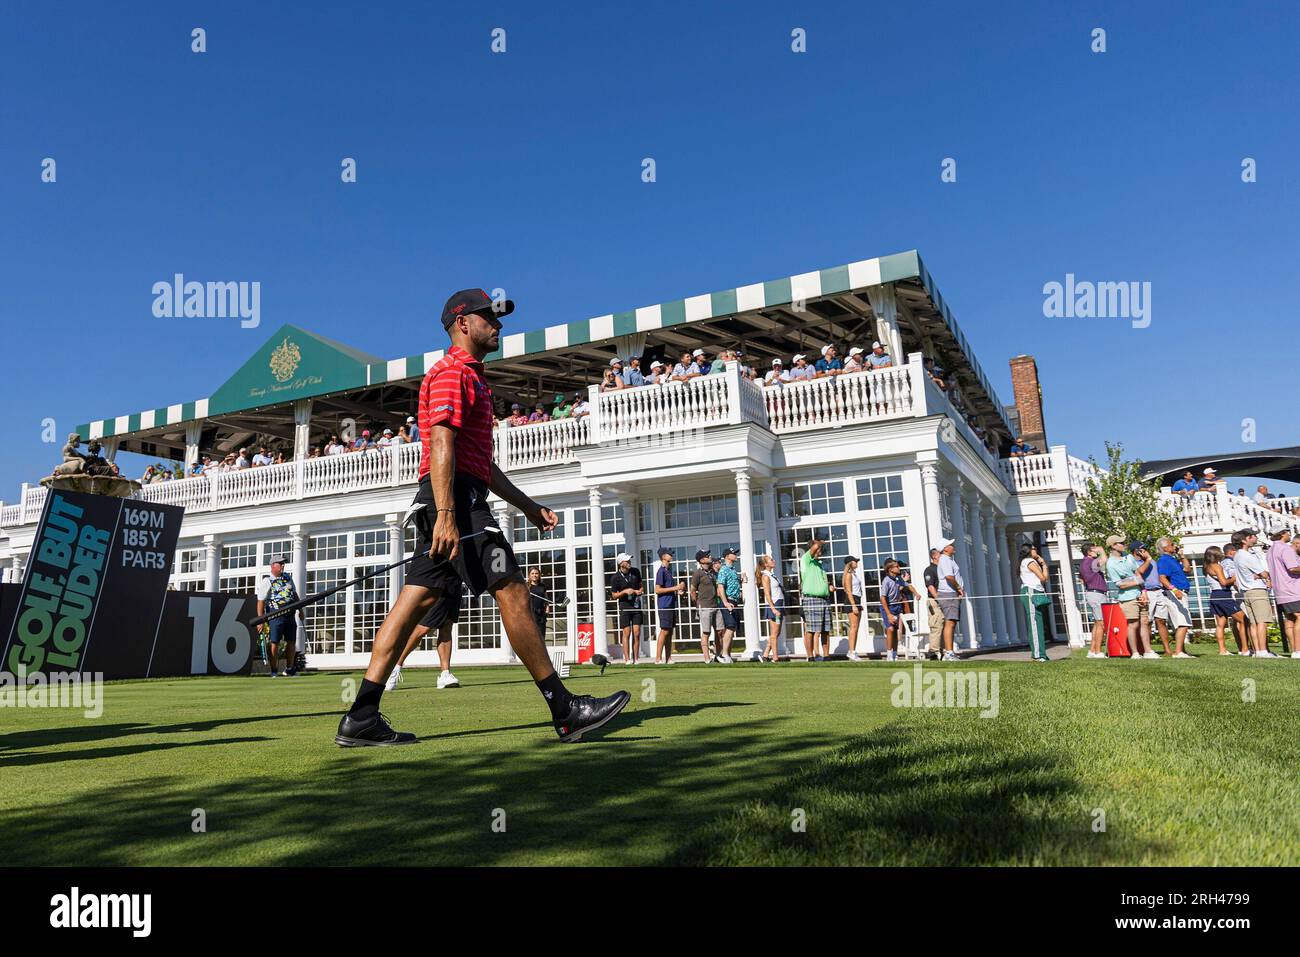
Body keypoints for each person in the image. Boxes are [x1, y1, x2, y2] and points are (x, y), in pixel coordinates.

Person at [334, 287, 629, 746]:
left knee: (412, 603)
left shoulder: (471, 376)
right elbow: (441, 445)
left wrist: (528, 506)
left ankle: (361, 716)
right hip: (455, 500)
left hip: (451, 495)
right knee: (512, 588)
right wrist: (449, 513)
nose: (499, 325)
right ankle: (565, 709)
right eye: (488, 317)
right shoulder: (452, 372)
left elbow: (481, 462)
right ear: (462, 323)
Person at [385, 591, 462, 692]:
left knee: (446, 626)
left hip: (453, 587)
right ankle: (395, 667)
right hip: (436, 585)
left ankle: (445, 674)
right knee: (423, 628)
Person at [1232, 528, 1276, 658]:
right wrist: (1264, 575)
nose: (1255, 538)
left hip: (1246, 591)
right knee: (1262, 621)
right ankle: (1263, 651)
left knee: (1254, 622)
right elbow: (1263, 573)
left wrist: (1259, 575)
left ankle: (1257, 651)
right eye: (1252, 536)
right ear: (1245, 540)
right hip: (1256, 591)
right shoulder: (1246, 556)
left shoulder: (1238, 555)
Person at [256, 556, 301, 677]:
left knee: (291, 641)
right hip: (275, 616)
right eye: (280, 564)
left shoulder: (287, 578)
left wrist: (300, 610)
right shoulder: (267, 581)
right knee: (274, 642)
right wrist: (260, 620)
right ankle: (274, 670)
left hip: (290, 614)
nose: (282, 566)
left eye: (283, 564)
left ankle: (290, 669)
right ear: (272, 566)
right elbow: (260, 601)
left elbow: (294, 594)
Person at [1103, 534, 1148, 658]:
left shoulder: (1129, 557)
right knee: (1133, 624)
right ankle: (1135, 653)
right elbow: (1120, 585)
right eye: (1121, 543)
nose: (1124, 545)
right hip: (1127, 598)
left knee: (1144, 622)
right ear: (1113, 546)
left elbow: (1137, 572)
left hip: (1140, 594)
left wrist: (1143, 591)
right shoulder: (1110, 564)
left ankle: (1148, 651)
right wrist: (1136, 582)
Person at [1203, 546, 1245, 656]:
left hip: (1214, 595)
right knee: (1243, 620)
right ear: (1216, 554)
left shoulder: (1206, 567)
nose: (1221, 553)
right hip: (1223, 595)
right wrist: (1234, 578)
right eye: (1219, 552)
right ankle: (1245, 649)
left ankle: (1222, 650)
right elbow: (1224, 582)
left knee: (1220, 624)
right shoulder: (1217, 566)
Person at [1155, 537, 1194, 658]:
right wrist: (1174, 589)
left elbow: (1187, 569)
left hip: (1181, 592)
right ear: (1165, 548)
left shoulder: (1173, 559)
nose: (1175, 546)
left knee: (1182, 622)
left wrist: (1181, 556)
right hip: (1176, 593)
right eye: (1172, 544)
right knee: (1183, 623)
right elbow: (1162, 577)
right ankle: (1178, 652)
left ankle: (1181, 651)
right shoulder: (1164, 560)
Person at [1266, 528, 1300, 658]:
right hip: (1293, 589)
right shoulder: (1286, 549)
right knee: (1299, 617)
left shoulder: (1270, 550)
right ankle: (1298, 650)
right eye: (1287, 532)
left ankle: (1294, 651)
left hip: (1281, 591)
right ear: (1281, 534)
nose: (1289, 534)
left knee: (1290, 619)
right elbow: (1292, 568)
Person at [1133, 542, 1170, 657]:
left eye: (1145, 548)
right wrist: (1147, 559)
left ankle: (1167, 650)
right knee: (1147, 622)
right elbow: (1140, 573)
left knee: (1161, 620)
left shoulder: (1152, 561)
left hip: (1159, 591)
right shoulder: (1134, 563)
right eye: (1142, 549)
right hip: (1147, 592)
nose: (1145, 550)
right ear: (1136, 551)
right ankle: (1147, 649)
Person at [691, 549, 726, 663]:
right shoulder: (697, 573)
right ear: (702, 560)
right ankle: (707, 659)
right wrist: (697, 604)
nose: (710, 556)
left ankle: (718, 655)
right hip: (704, 607)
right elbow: (692, 591)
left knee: (720, 631)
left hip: (716, 606)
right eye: (707, 555)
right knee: (706, 632)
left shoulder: (712, 572)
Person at [799, 538, 831, 661]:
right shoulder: (807, 559)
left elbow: (821, 581)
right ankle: (810, 656)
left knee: (825, 629)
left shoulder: (819, 564)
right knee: (811, 630)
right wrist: (820, 542)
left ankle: (826, 656)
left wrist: (829, 587)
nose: (820, 550)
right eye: (819, 548)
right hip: (811, 599)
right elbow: (814, 547)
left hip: (824, 599)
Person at [1018, 543, 1051, 661]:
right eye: (1034, 548)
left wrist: (1043, 564)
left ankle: (1040, 653)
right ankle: (1038, 654)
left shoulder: (1033, 562)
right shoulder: (1028, 561)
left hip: (1037, 591)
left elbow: (1044, 579)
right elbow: (1042, 578)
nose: (1036, 550)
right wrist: (1041, 564)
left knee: (1038, 622)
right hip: (1031, 592)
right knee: (1034, 624)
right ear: (1028, 551)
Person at [610, 553, 644, 665]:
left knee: (637, 632)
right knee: (627, 632)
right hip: (624, 606)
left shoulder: (635, 571)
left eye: (629, 561)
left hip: (636, 605)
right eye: (627, 561)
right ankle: (627, 659)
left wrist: (639, 591)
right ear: (621, 564)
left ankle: (636, 659)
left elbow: (640, 586)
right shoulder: (615, 577)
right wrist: (624, 592)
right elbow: (614, 595)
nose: (629, 563)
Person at [1077, 542, 1109, 658]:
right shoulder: (1090, 562)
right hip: (1097, 594)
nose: (1096, 551)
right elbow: (1104, 560)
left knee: (1097, 622)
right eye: (1094, 549)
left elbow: (1081, 579)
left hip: (1092, 593)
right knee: (1101, 623)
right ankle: (1098, 651)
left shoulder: (1083, 563)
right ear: (1089, 552)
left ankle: (1092, 650)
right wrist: (1102, 551)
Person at [652, 548, 684, 664]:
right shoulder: (661, 571)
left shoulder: (668, 571)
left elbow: (668, 589)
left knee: (670, 632)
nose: (671, 556)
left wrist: (677, 592)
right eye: (669, 554)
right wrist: (676, 588)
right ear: (663, 556)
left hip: (670, 604)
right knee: (664, 630)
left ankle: (668, 658)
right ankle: (658, 659)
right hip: (664, 605)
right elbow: (657, 590)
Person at [934, 537, 963, 661]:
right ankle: (949, 653)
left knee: (952, 622)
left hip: (951, 594)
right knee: (950, 622)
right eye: (950, 545)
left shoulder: (948, 559)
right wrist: (958, 588)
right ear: (945, 549)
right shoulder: (945, 559)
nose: (953, 546)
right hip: (948, 594)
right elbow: (949, 577)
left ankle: (949, 652)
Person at [716, 547, 745, 661]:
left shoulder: (733, 569)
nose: (736, 555)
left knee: (732, 628)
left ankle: (727, 654)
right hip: (728, 601)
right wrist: (726, 602)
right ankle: (723, 654)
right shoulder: (724, 569)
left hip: (734, 601)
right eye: (733, 554)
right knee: (730, 626)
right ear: (727, 556)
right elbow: (720, 586)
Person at [1221, 541, 1249, 654]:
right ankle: (1245, 647)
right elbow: (1234, 578)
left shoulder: (1223, 562)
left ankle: (1241, 647)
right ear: (1232, 552)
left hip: (1231, 593)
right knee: (1243, 620)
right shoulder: (1229, 563)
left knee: (1237, 621)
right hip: (1235, 593)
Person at [757, 554, 783, 662]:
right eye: (770, 560)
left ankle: (765, 654)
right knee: (774, 633)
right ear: (766, 564)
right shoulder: (765, 576)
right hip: (774, 605)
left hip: (779, 604)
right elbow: (767, 594)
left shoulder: (772, 575)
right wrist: (773, 609)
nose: (773, 560)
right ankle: (775, 657)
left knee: (777, 632)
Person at [879, 559, 907, 661]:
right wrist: (889, 614)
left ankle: (895, 654)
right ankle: (889, 654)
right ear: (890, 569)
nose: (899, 568)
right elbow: (882, 598)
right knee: (890, 629)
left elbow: (905, 586)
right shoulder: (886, 581)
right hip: (887, 606)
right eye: (897, 567)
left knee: (895, 630)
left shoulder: (897, 579)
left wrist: (916, 594)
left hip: (896, 606)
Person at [923, 548, 944, 660]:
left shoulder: (941, 569)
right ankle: (933, 653)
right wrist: (939, 599)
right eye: (941, 554)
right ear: (935, 556)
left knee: (944, 626)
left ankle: (944, 652)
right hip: (934, 602)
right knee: (936, 626)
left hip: (943, 601)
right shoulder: (930, 570)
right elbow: (930, 586)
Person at [841, 556, 863, 661]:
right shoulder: (848, 575)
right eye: (855, 561)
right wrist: (853, 605)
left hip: (857, 599)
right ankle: (852, 652)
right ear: (850, 563)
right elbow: (849, 591)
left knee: (856, 627)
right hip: (852, 600)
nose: (857, 562)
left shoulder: (854, 574)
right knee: (853, 627)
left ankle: (852, 651)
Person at [526, 567, 550, 646]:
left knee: (541, 636)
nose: (534, 575)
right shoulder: (527, 587)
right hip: (531, 614)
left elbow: (546, 599)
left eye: (536, 573)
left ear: (539, 575)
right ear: (529, 575)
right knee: (532, 636)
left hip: (541, 614)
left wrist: (547, 609)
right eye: (532, 573)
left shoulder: (542, 586)